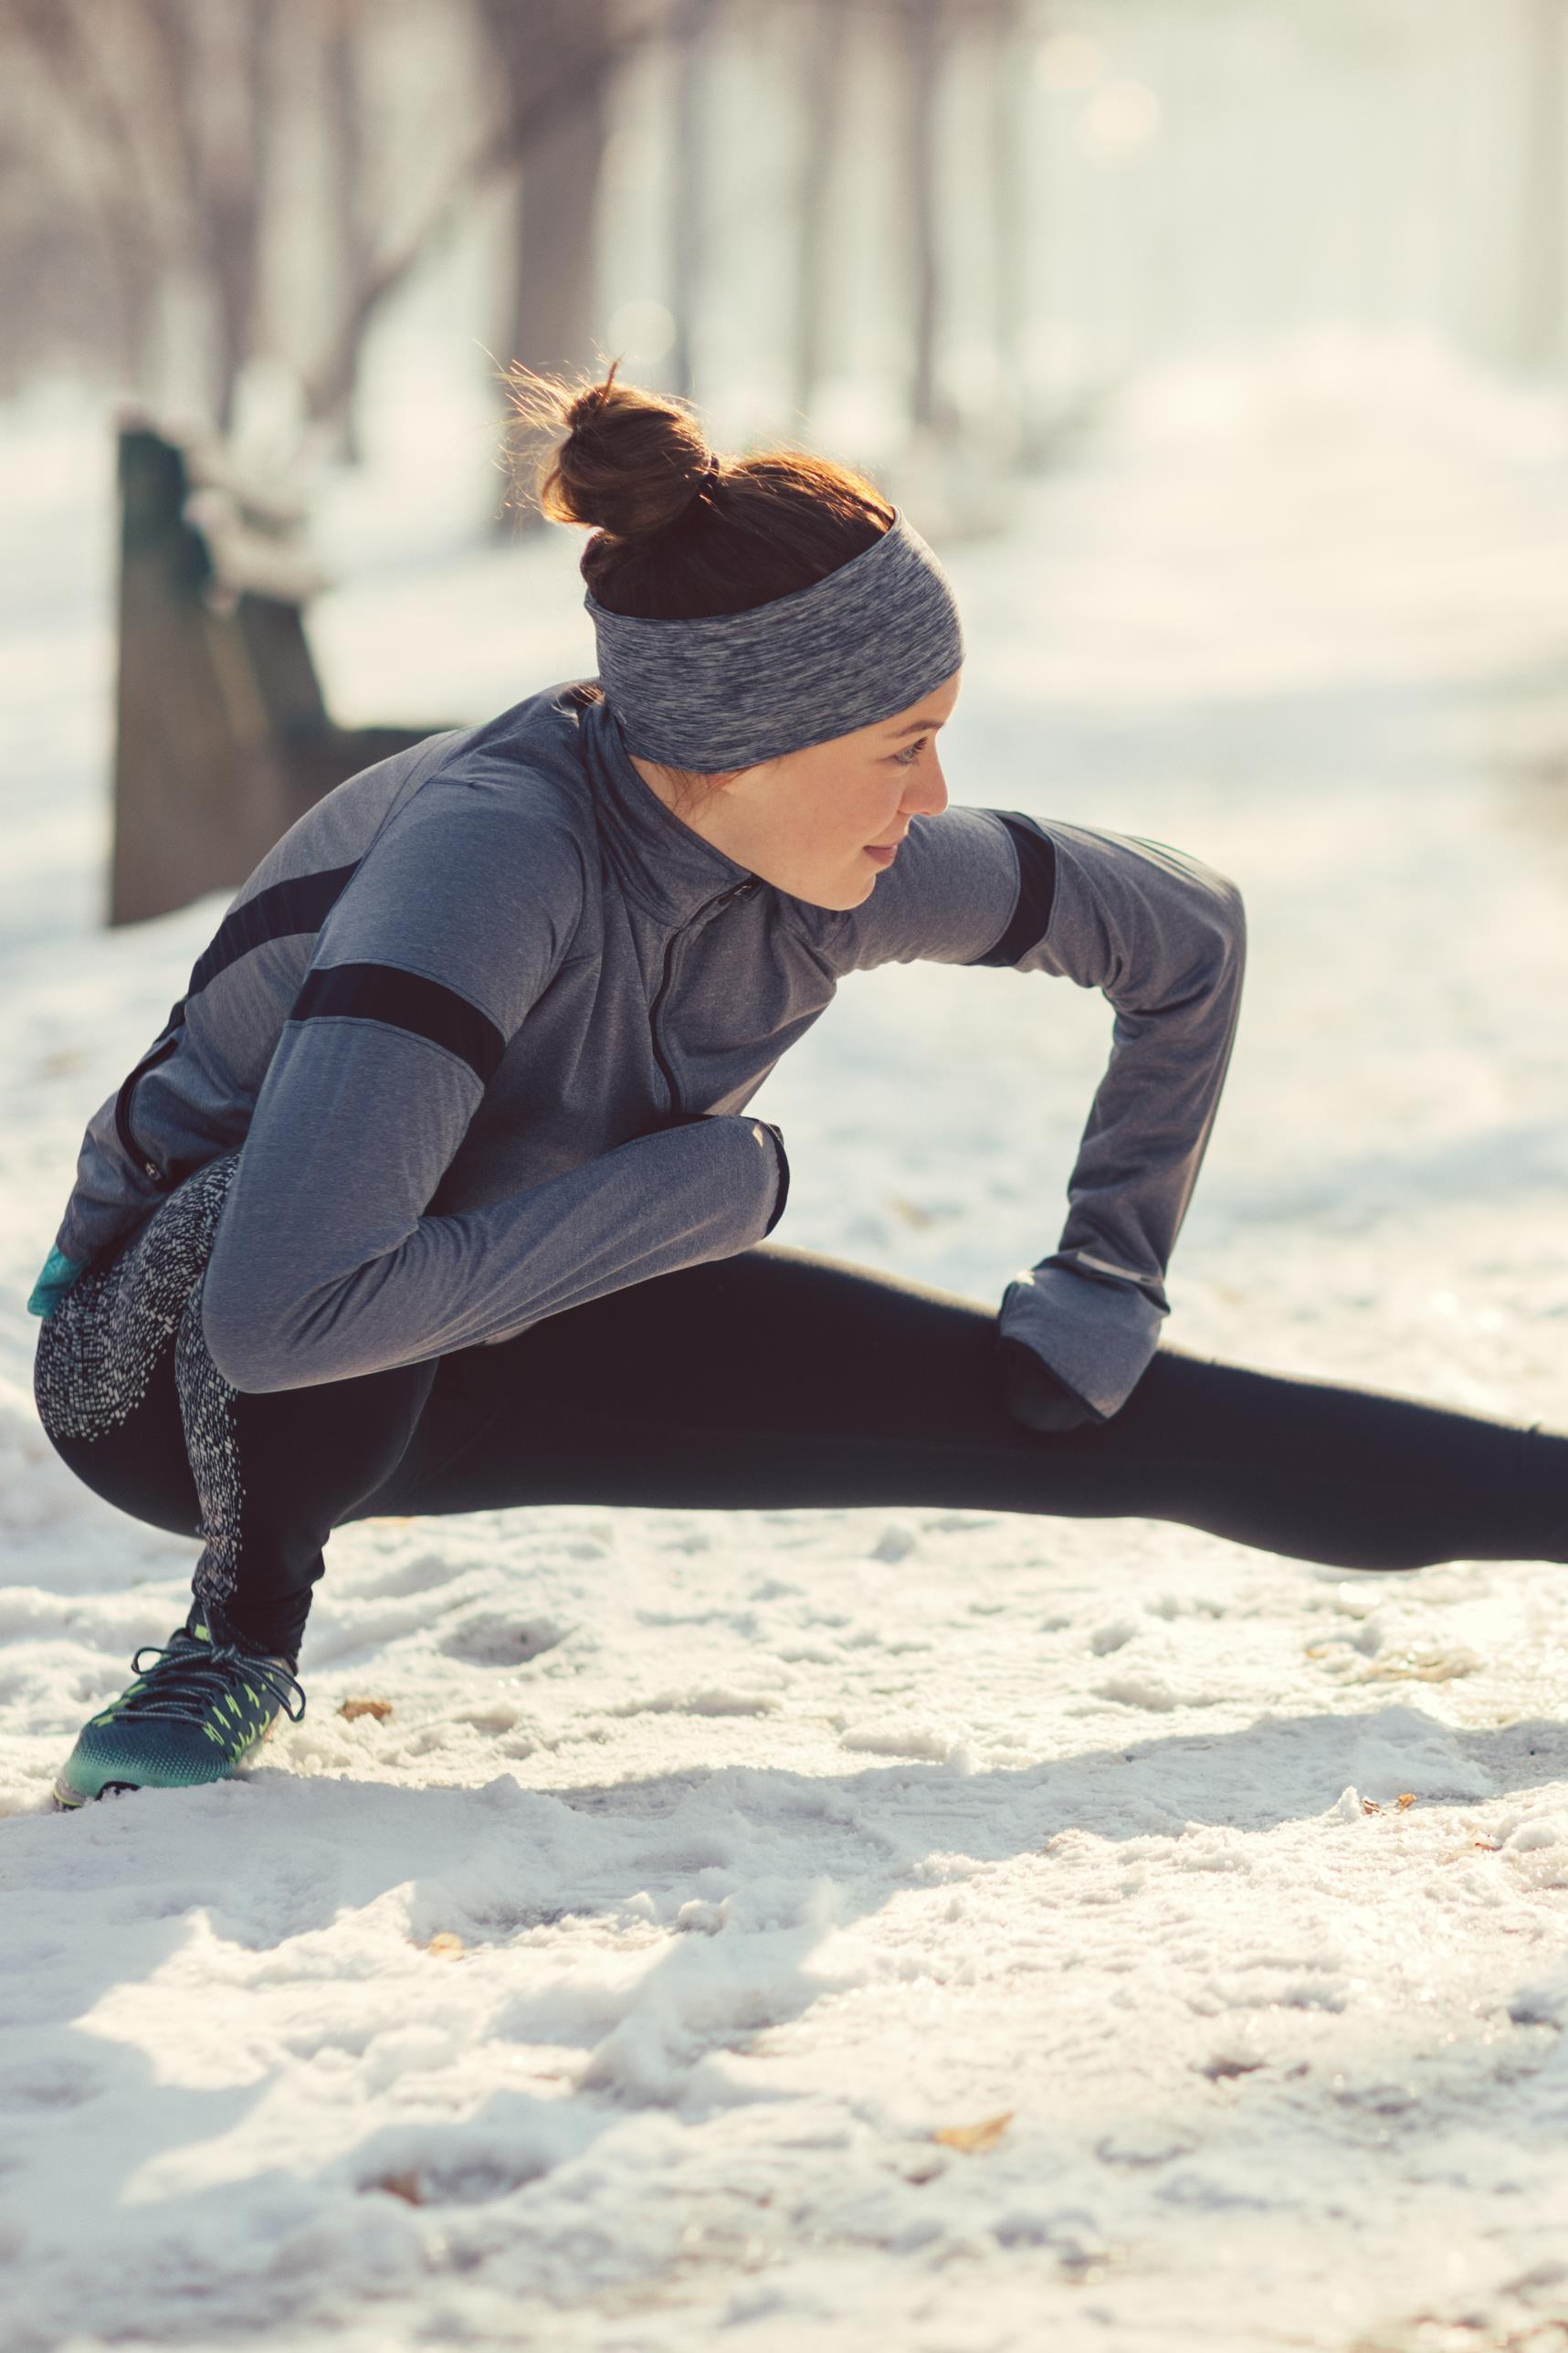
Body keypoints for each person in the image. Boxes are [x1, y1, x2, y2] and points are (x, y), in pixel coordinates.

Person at [29, 362, 1568, 1810]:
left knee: (1099, 1421)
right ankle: (234, 1641)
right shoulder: (487, 863)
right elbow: (281, 1309)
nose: (936, 798)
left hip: (504, 1302)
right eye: (901, 747)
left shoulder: (829, 862)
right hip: (183, 1372)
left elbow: (1183, 931)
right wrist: (695, 1192)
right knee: (326, 1206)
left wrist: (1110, 1268)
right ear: (747, 741)